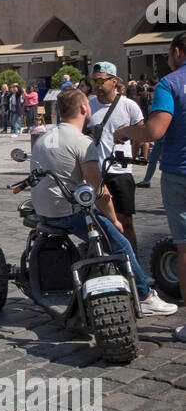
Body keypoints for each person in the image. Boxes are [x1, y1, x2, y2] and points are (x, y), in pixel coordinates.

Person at [30, 87, 175, 318]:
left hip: (44, 212)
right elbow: (99, 190)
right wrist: (114, 220)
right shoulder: (81, 141)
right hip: (68, 214)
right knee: (121, 243)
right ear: (84, 108)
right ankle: (145, 296)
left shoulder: (43, 137)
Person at [115, 32, 186, 340]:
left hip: (180, 173)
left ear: (178, 52)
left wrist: (125, 132)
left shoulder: (170, 84)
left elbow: (155, 130)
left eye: (169, 54)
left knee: (184, 248)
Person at [86, 61, 143, 250]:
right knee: (97, 222)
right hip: (95, 172)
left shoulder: (129, 106)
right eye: (94, 81)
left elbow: (141, 133)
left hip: (120, 172)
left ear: (114, 81)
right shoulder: (88, 106)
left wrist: (130, 155)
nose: (97, 85)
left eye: (101, 81)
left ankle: (132, 266)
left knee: (125, 221)